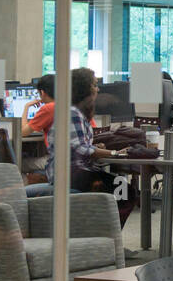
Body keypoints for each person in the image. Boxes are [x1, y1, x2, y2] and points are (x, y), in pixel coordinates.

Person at [45, 68, 137, 227]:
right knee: (124, 191)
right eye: (94, 85)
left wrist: (93, 146)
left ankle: (107, 233)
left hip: (75, 172)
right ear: (84, 88)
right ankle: (109, 234)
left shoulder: (75, 112)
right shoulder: (73, 113)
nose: (98, 89)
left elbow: (76, 146)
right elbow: (79, 149)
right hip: (70, 175)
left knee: (122, 189)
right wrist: (114, 153)